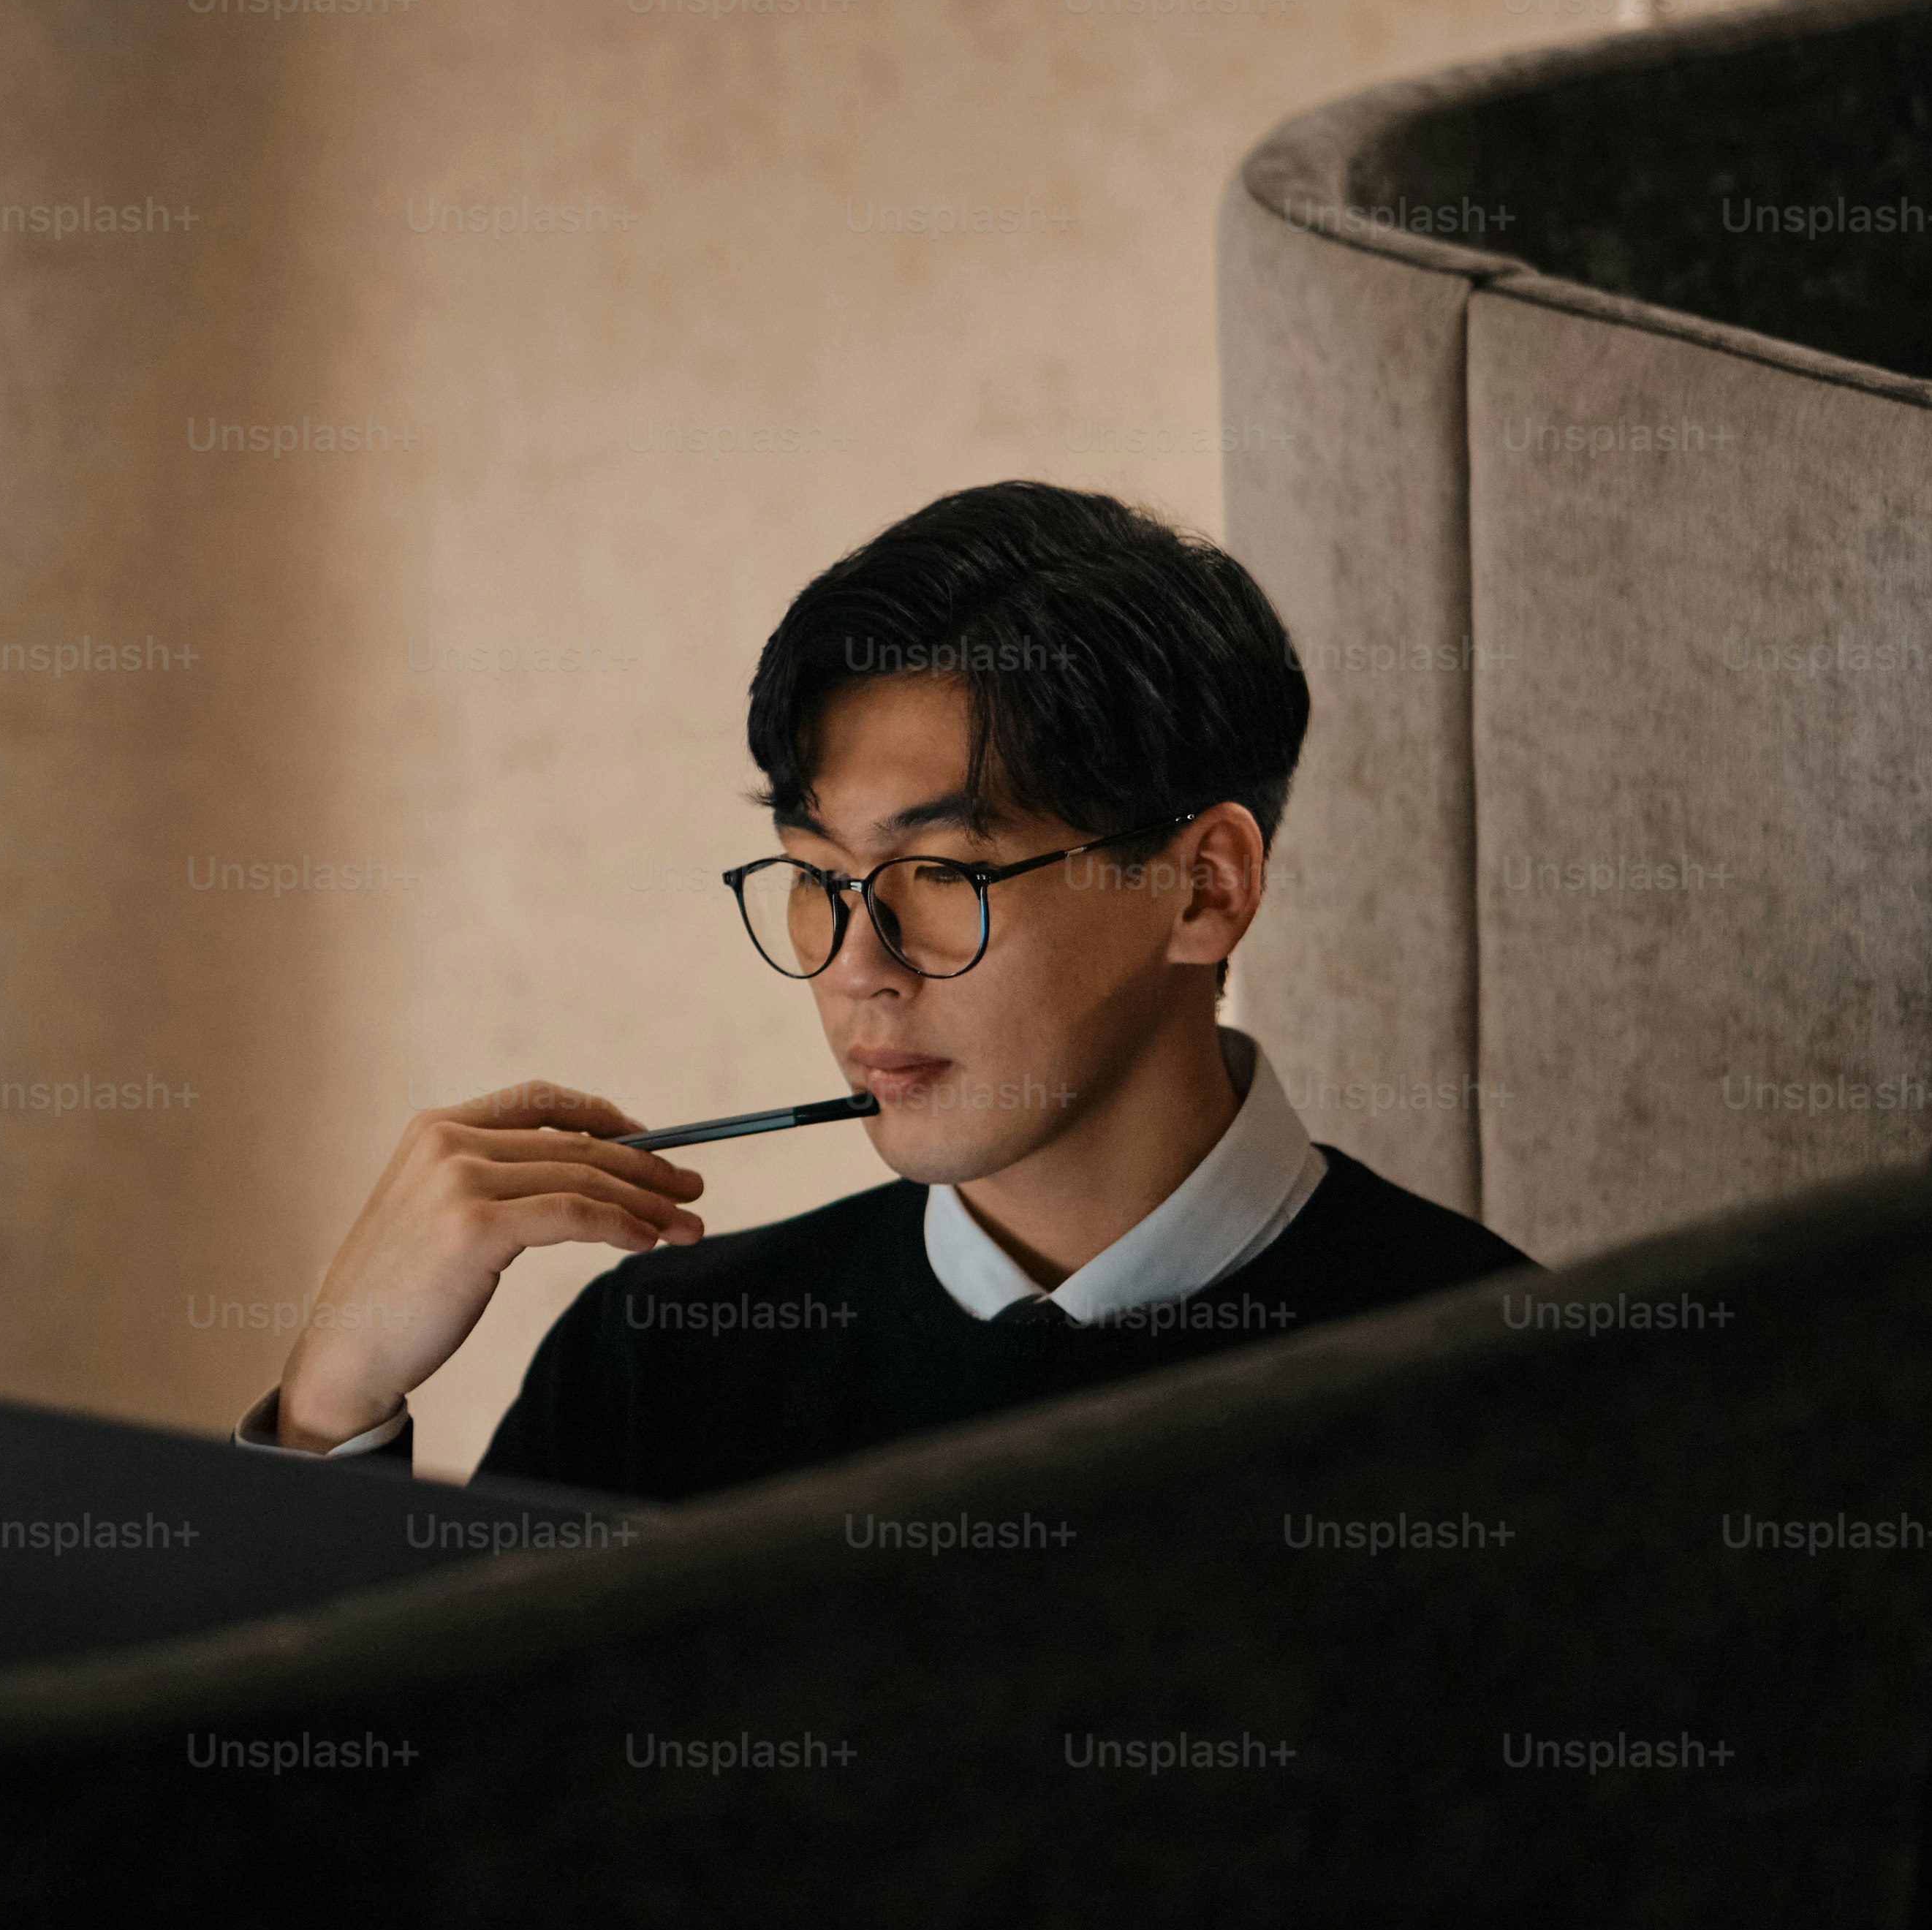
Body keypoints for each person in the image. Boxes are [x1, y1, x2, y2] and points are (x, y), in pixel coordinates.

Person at [235, 478, 1529, 1500]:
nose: (856, 966)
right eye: (815, 874)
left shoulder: (1519, 1378)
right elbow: (374, 1818)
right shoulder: (667, 1368)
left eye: (945, 871)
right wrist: (331, 1406)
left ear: (1203, 889)